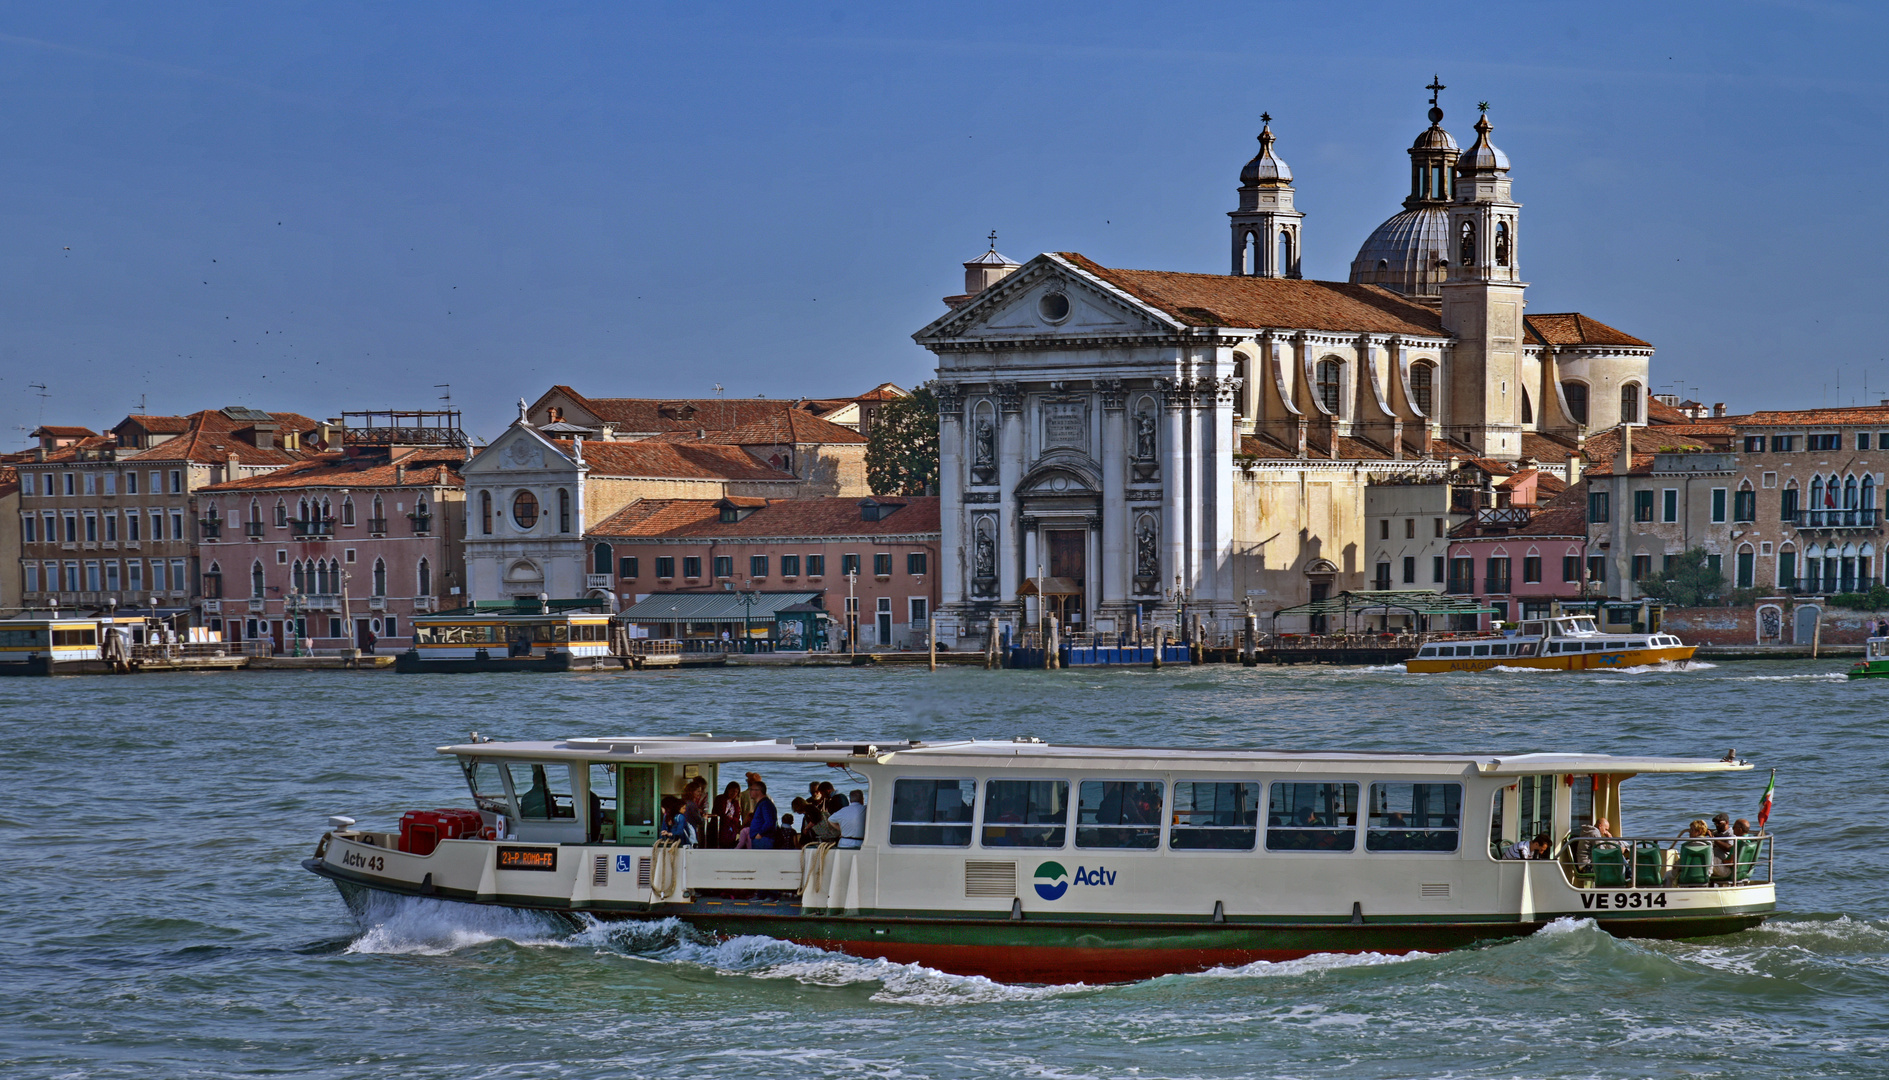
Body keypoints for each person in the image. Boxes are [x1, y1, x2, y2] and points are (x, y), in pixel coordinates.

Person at [739, 778, 777, 849]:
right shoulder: (762, 804)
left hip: (763, 840)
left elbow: (769, 822)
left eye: (751, 789)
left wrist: (760, 834)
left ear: (758, 791)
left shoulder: (765, 804)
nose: (749, 792)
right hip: (760, 839)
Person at [713, 781, 745, 849]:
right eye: (732, 791)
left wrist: (733, 821)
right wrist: (727, 819)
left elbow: (737, 815)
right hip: (721, 826)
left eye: (736, 792)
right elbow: (719, 812)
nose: (734, 793)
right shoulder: (720, 798)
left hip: (731, 827)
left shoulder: (735, 803)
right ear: (728, 790)